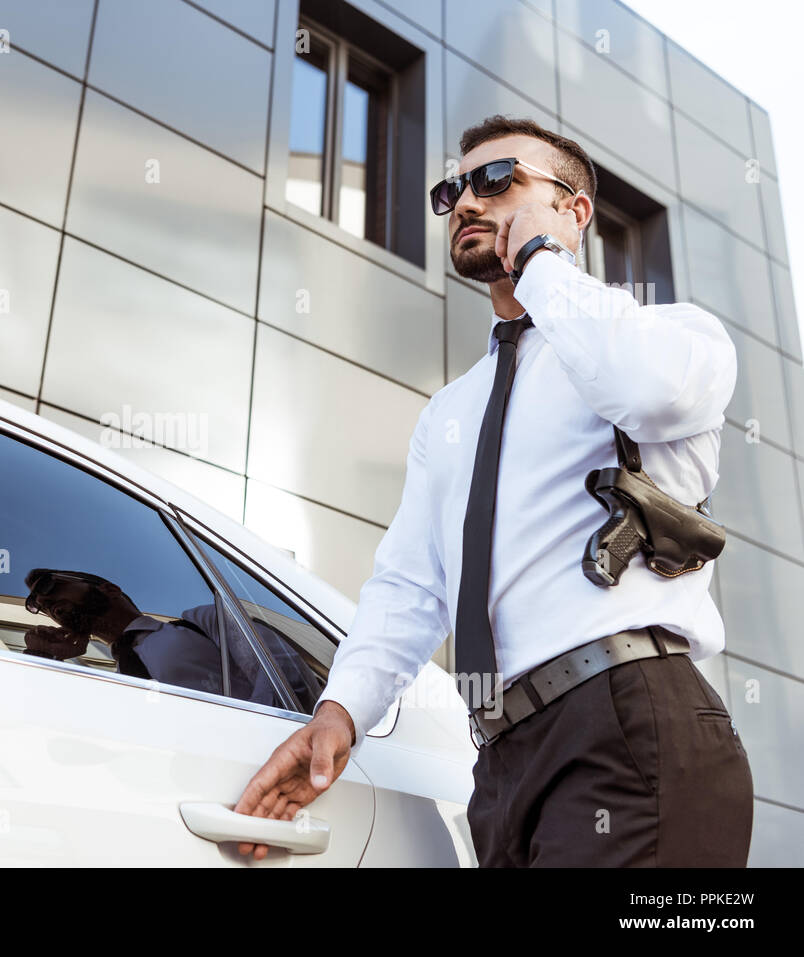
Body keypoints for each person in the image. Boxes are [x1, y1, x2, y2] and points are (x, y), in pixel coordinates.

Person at [233, 115, 753, 866]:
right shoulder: (450, 411)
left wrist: (540, 260)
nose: (467, 200)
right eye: (455, 188)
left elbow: (642, 388)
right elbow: (410, 586)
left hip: (632, 718)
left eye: (498, 179)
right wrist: (339, 713)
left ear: (575, 210)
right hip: (504, 761)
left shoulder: (668, 336)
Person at [22, 567, 322, 709]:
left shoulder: (203, 620)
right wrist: (45, 658)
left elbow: (284, 672)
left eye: (51, 587)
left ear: (109, 588)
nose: (45, 603)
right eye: (39, 606)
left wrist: (249, 738)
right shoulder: (117, 684)